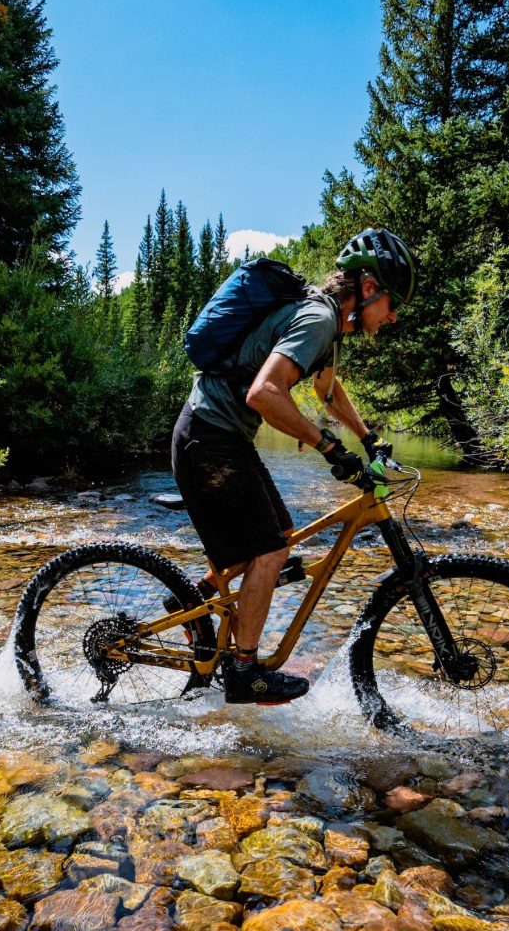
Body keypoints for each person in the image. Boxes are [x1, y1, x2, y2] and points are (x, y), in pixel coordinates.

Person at [170, 228, 415, 704]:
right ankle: (243, 672)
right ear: (368, 289)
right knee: (269, 550)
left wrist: (368, 440)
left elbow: (326, 391)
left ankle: (194, 602)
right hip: (209, 438)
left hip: (217, 435)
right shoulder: (320, 317)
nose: (394, 317)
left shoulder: (328, 320)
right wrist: (327, 446)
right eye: (392, 303)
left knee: (278, 539)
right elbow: (263, 393)